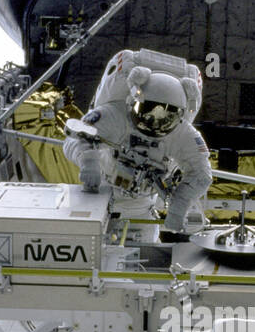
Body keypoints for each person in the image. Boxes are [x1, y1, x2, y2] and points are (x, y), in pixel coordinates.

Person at [63, 51, 211, 238]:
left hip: (143, 207)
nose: (155, 123)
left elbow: (202, 175)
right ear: (133, 101)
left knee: (143, 256)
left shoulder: (183, 133)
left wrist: (179, 205)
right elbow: (74, 138)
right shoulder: (114, 115)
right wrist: (88, 161)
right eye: (148, 113)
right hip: (100, 195)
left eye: (166, 118)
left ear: (179, 116)